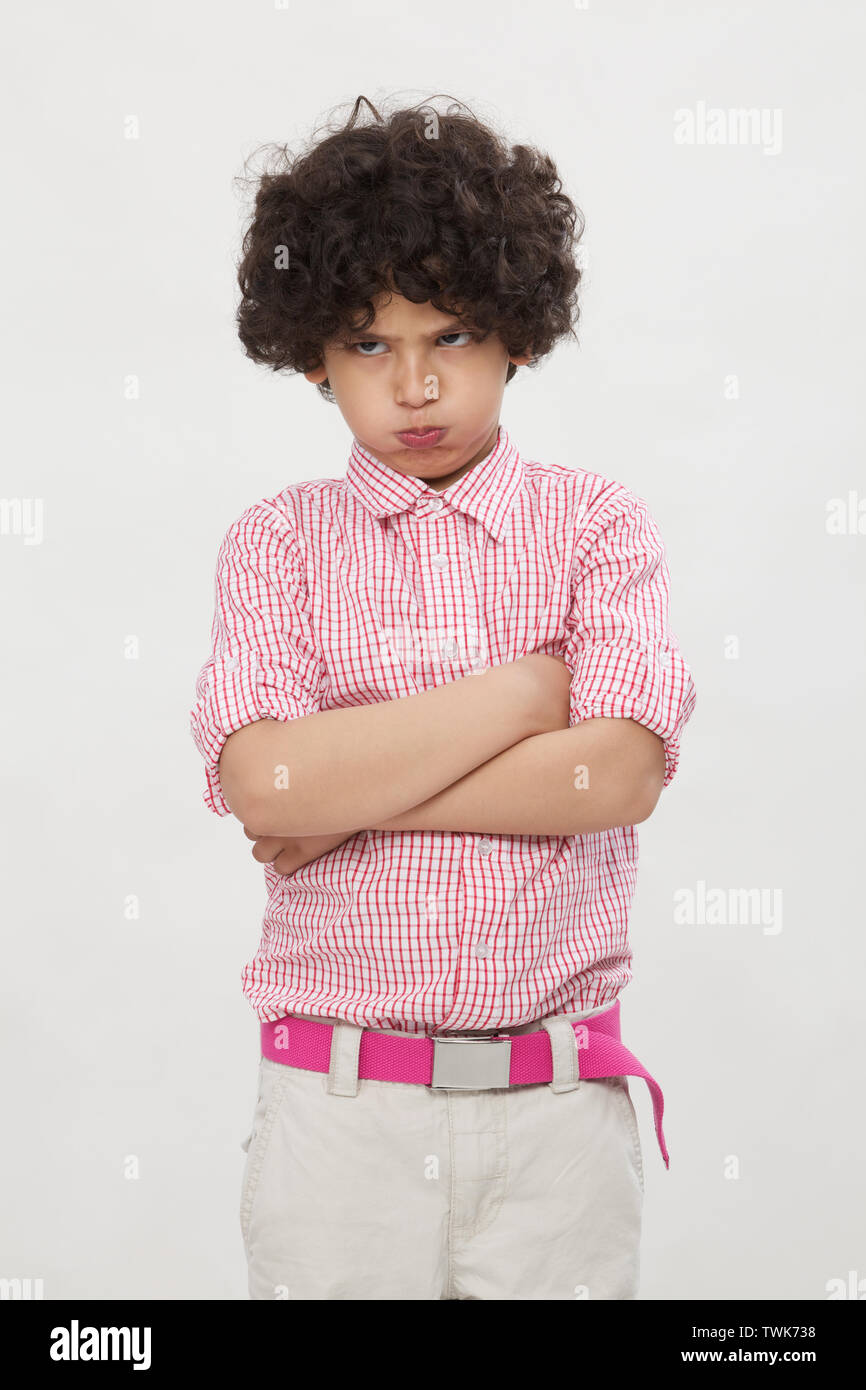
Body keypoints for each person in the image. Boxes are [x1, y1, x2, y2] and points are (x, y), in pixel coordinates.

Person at [189, 94, 697, 1300]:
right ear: (311, 353)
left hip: (556, 1117)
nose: (414, 385)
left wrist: (341, 798)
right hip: (337, 1115)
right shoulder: (276, 545)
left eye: (452, 335)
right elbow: (263, 781)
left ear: (515, 333)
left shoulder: (593, 525)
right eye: (369, 344)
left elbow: (615, 776)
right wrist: (528, 689)